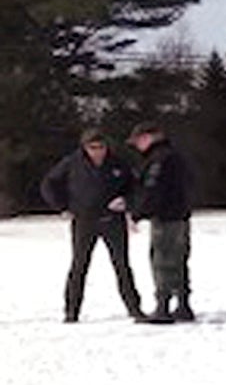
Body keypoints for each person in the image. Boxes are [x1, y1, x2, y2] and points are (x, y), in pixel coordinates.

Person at [40, 127, 147, 323]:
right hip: (84, 221)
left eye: (101, 147)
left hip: (112, 220)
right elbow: (49, 184)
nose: (97, 151)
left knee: (122, 266)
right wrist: (61, 206)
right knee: (79, 266)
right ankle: (71, 311)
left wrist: (127, 201)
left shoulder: (119, 163)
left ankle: (135, 309)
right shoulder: (72, 163)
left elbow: (136, 187)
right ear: (85, 147)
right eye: (92, 147)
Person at [128, 121, 195, 321]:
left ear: (149, 137)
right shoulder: (176, 156)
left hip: (165, 218)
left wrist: (138, 213)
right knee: (179, 260)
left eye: (138, 140)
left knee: (162, 260)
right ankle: (183, 304)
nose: (137, 145)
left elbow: (152, 191)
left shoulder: (158, 160)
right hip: (181, 216)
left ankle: (163, 307)